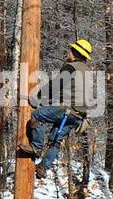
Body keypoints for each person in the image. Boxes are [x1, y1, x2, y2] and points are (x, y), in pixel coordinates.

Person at [27, 38, 93, 178]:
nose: (68, 52)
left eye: (71, 50)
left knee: (37, 115)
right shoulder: (87, 71)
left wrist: (38, 96)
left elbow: (55, 86)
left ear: (75, 53)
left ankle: (36, 147)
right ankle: (43, 168)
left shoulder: (71, 67)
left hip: (68, 110)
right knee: (55, 140)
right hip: (79, 116)